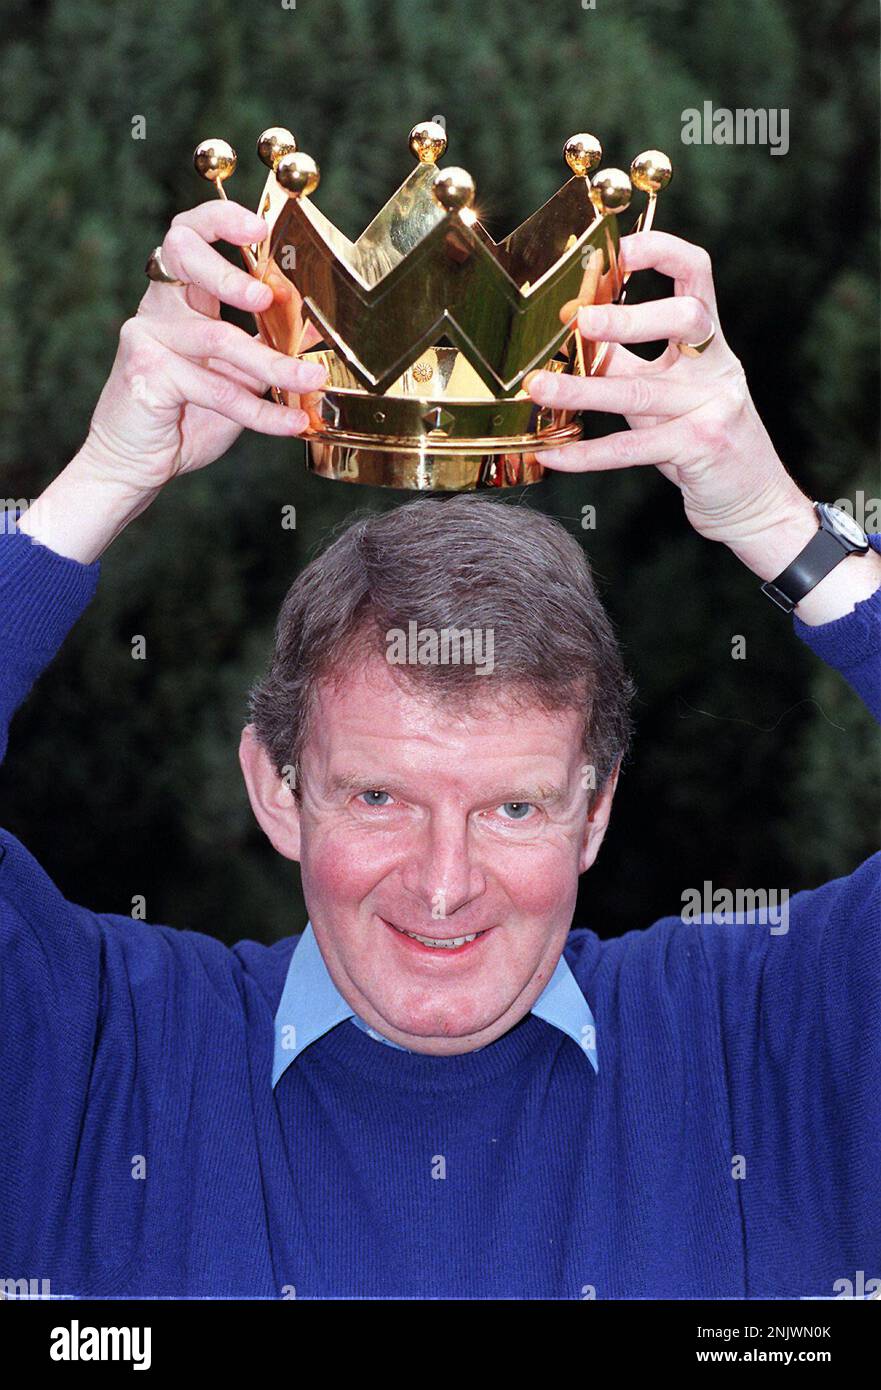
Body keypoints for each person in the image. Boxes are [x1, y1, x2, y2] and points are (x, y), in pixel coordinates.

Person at [1, 198, 878, 1300]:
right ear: (275, 789)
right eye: (377, 796)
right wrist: (101, 479)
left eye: (513, 807)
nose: (443, 884)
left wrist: (787, 531)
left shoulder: (778, 1049)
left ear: (595, 810)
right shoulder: (83, 1057)